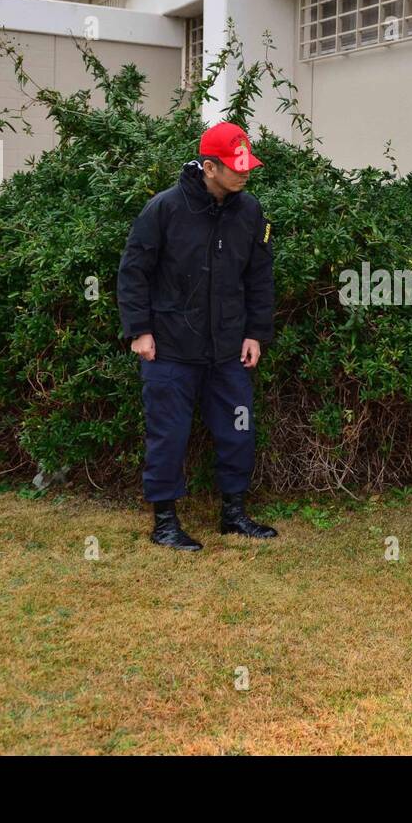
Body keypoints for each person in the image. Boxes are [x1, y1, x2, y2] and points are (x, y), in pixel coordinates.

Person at [116, 121, 277, 551]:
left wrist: (256, 334)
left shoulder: (251, 212)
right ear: (209, 167)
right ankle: (165, 523)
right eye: (236, 166)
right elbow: (134, 272)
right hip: (169, 348)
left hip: (228, 350)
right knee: (168, 433)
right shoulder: (164, 209)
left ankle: (234, 515)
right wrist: (139, 331)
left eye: (248, 164)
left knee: (238, 428)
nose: (246, 173)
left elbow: (260, 278)